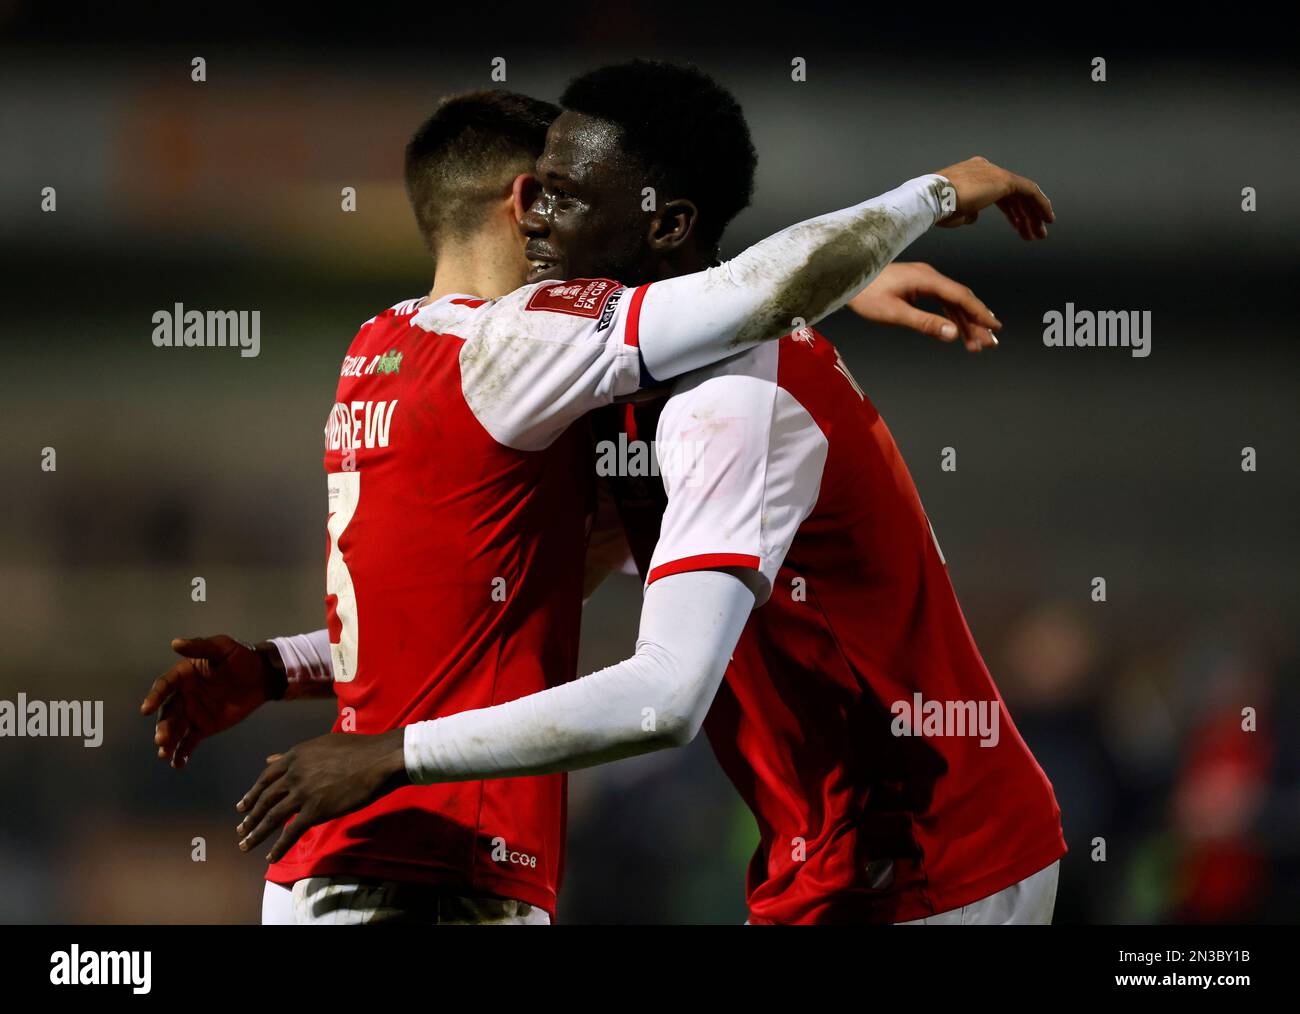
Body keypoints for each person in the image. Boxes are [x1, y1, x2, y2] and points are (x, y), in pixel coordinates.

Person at [231, 62, 1063, 924]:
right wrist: (277, 667)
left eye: (566, 197)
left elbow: (664, 698)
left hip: (937, 858)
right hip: (826, 859)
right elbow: (489, 617)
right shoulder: (617, 393)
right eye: (536, 193)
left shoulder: (733, 405)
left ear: (662, 222)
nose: (536, 221)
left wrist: (395, 754)